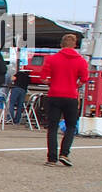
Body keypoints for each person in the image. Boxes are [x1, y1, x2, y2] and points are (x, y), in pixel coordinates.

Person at [34, 33, 89, 167]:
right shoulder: (81, 60)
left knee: (52, 127)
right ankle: (64, 153)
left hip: (54, 95)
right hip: (71, 96)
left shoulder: (53, 59)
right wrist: (75, 85)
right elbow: (85, 79)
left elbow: (43, 77)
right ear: (75, 45)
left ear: (61, 44)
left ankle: (51, 158)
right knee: (70, 126)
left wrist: (51, 83)